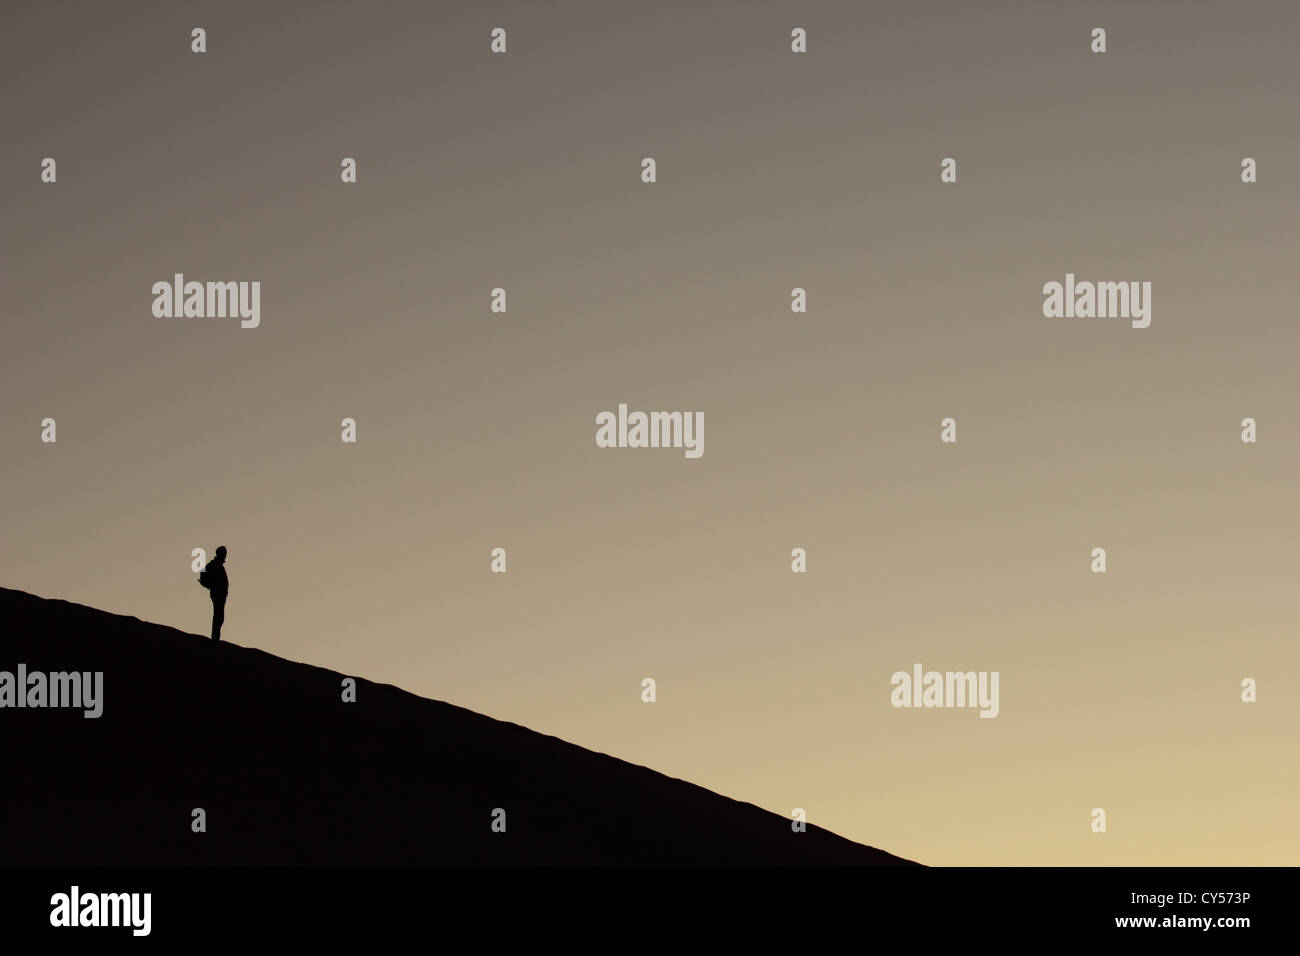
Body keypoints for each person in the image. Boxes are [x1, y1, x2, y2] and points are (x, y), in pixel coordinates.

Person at [199, 546, 230, 640]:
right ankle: (215, 637)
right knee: (218, 615)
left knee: (219, 616)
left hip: (220, 594)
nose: (225, 556)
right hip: (217, 594)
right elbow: (203, 575)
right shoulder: (213, 565)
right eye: (224, 554)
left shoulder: (217, 566)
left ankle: (216, 637)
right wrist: (209, 585)